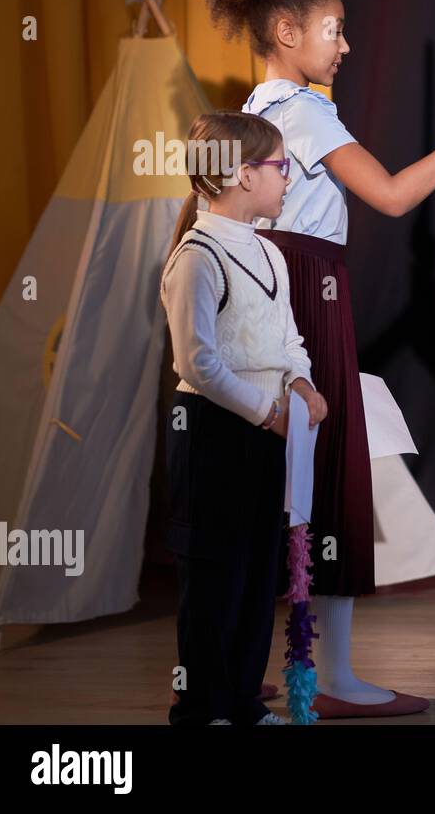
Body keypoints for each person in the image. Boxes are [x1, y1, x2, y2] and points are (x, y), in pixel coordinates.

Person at [199, 0, 435, 717]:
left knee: (277, 485)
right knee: (329, 482)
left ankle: (247, 670)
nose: (345, 46)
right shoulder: (303, 112)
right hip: (307, 293)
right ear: (287, 33)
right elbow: (396, 195)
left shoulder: (256, 108)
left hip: (265, 291)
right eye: (334, 31)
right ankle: (329, 672)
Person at [161, 110, 327, 726]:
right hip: (212, 433)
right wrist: (269, 414)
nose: (289, 179)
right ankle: (203, 709)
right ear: (240, 175)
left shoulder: (270, 254)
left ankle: (242, 701)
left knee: (258, 572)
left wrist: (302, 383)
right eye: (281, 168)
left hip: (266, 430)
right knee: (214, 578)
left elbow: (287, 339)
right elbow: (198, 363)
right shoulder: (197, 257)